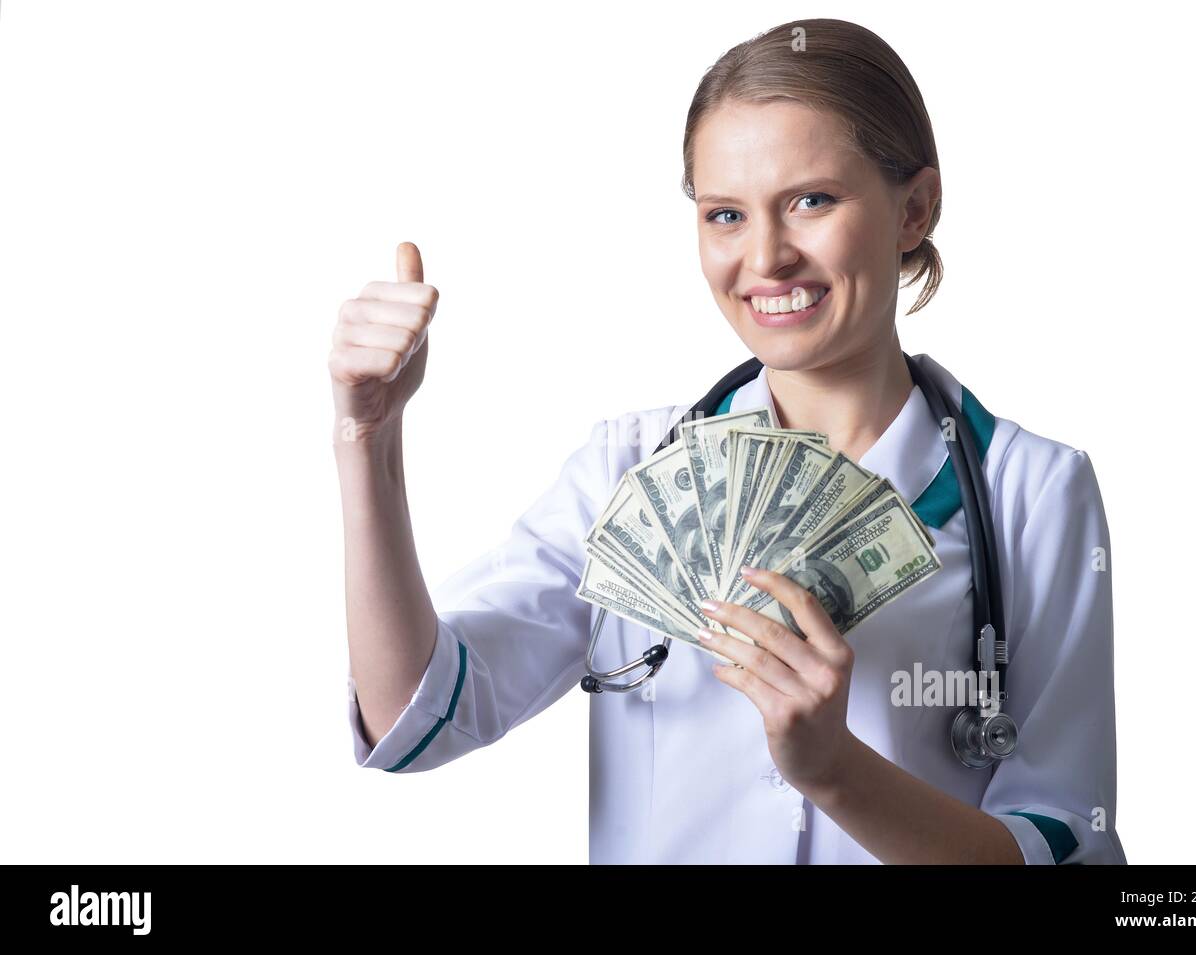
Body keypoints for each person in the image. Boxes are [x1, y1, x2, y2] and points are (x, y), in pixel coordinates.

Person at [327, 18, 1125, 865]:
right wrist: (366, 442)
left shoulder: (1032, 492)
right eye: (725, 214)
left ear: (915, 208)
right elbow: (418, 714)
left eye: (812, 200)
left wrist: (837, 772)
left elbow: (1066, 845)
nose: (766, 257)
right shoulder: (630, 473)